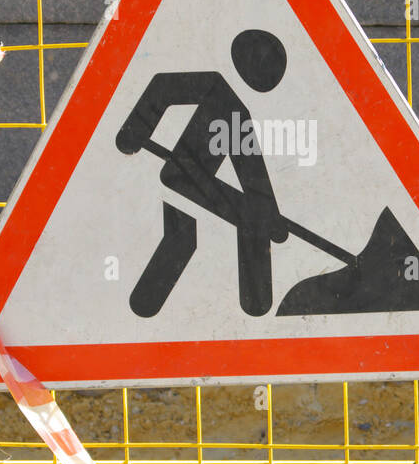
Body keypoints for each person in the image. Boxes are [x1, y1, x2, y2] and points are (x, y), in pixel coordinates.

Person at [116, 29, 289, 317]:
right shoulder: (215, 87)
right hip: (181, 173)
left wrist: (269, 215)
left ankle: (256, 307)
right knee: (201, 232)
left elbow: (251, 169)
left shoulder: (237, 112)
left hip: (191, 178)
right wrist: (133, 133)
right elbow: (162, 88)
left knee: (187, 236)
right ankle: (256, 304)